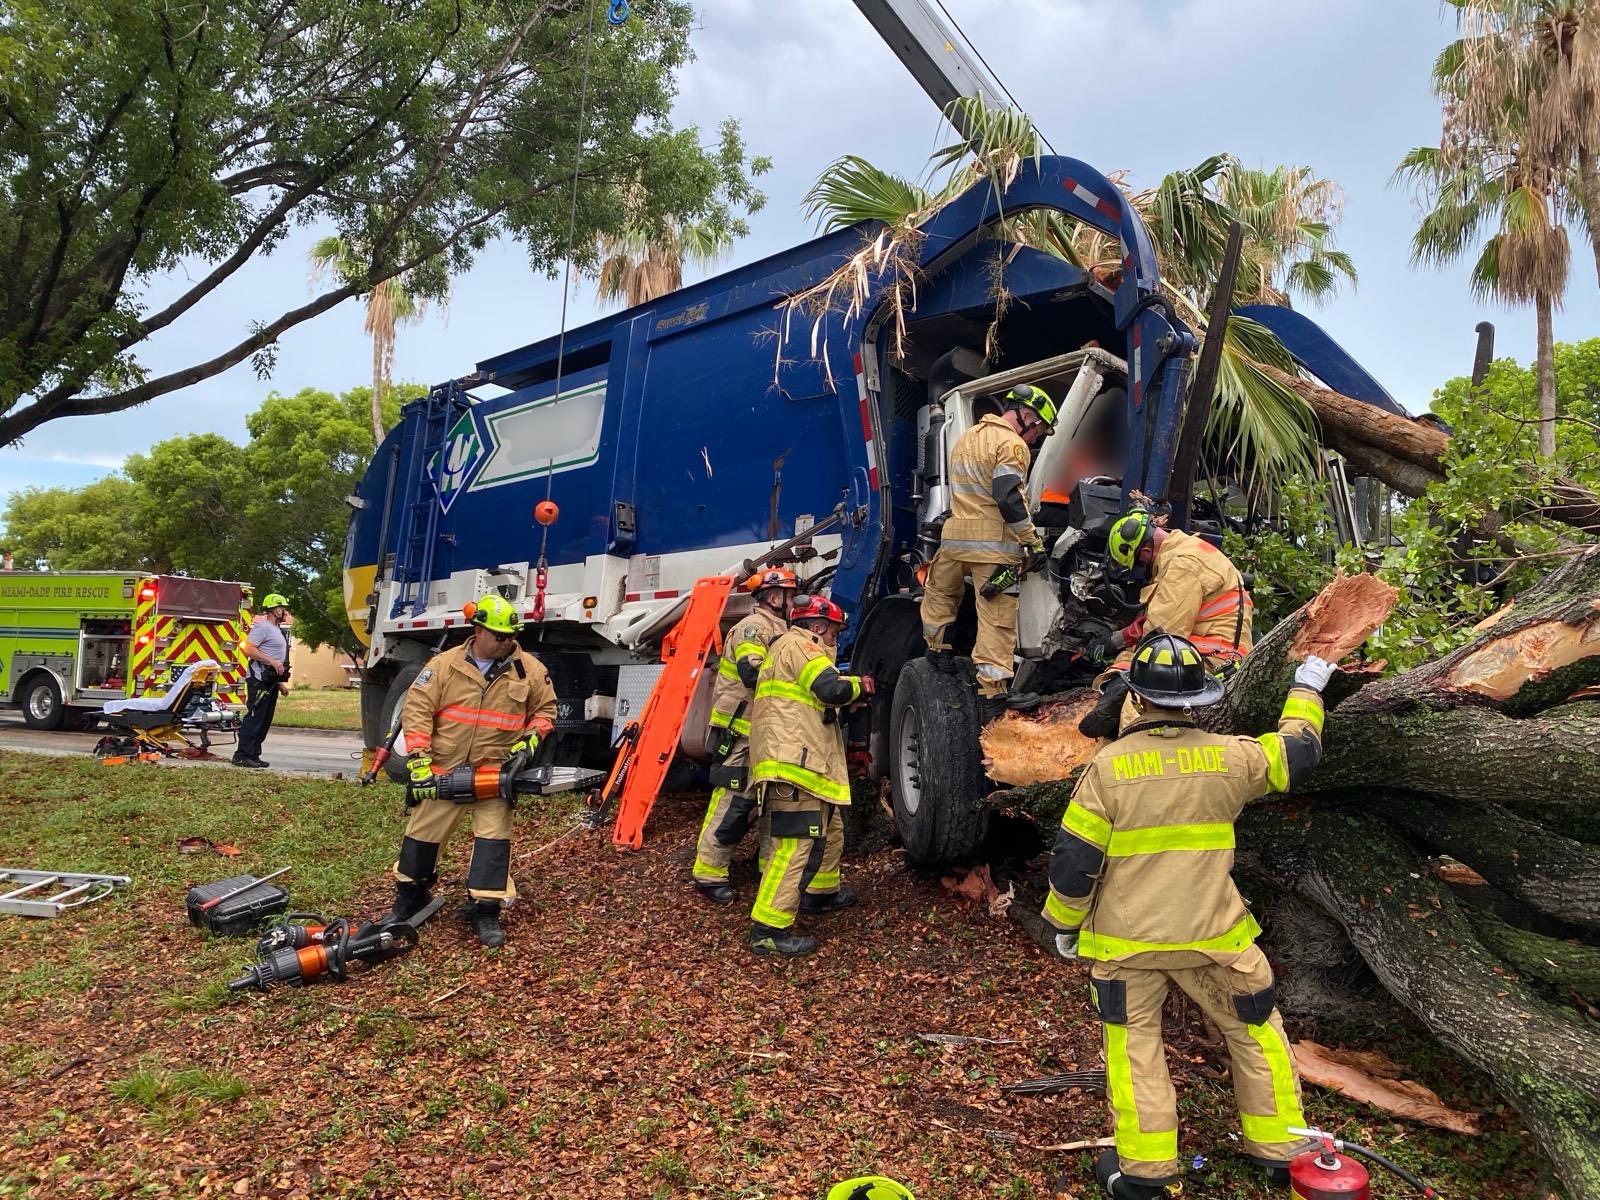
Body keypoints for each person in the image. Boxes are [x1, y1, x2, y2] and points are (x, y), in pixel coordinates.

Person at [1042, 631, 1335, 1197]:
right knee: (1256, 1034)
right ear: (1201, 699)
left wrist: (1064, 924)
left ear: (1136, 697)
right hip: (1216, 938)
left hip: (1128, 945)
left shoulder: (1107, 770)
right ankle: (1281, 1152)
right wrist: (1307, 687)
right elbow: (1297, 753)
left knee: (1134, 1050)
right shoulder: (1230, 758)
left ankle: (1146, 1176)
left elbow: (1074, 864)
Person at [381, 594, 557, 948]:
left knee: (493, 842)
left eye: (511, 636)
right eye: (499, 636)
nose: (506, 642)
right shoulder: (444, 665)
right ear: (478, 631)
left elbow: (545, 711)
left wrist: (530, 741)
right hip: (443, 771)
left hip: (494, 774)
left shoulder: (530, 670)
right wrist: (418, 758)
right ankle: (411, 897)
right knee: (421, 838)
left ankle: (485, 910)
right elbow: (417, 709)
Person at [919, 383, 1057, 725]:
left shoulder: (967, 438)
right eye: (1038, 430)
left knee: (940, 593)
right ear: (1027, 416)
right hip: (993, 547)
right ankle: (993, 693)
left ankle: (938, 650)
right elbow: (1008, 497)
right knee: (996, 618)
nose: (1035, 438)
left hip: (955, 542)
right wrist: (1031, 541)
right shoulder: (1011, 445)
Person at [745, 594, 871, 957]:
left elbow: (812, 702)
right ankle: (768, 929)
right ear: (817, 626)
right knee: (794, 847)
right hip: (794, 766)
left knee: (829, 833)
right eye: (834, 632)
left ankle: (821, 893)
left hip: (801, 764)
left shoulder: (783, 650)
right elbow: (831, 688)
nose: (835, 640)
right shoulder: (802, 646)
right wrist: (861, 685)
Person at [1079, 508, 1253, 739]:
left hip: (1213, 659)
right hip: (1206, 650)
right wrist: (1114, 642)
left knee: (1146, 677)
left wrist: (1129, 663)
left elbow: (1164, 634)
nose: (1141, 574)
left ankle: (1131, 736)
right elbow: (1157, 620)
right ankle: (1112, 695)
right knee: (1128, 659)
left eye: (1139, 565)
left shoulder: (1183, 564)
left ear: (1146, 550)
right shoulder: (1186, 550)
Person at [691, 567, 799, 904]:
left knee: (773, 801)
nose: (794, 601)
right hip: (740, 732)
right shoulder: (753, 627)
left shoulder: (781, 630)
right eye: (791, 595)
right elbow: (752, 671)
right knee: (734, 803)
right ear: (774, 597)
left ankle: (768, 868)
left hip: (763, 732)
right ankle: (709, 873)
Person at [235, 592, 292, 768]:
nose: (284, 611)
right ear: (272, 609)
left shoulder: (278, 630)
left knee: (265, 719)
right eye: (281, 607)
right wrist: (271, 661)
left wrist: (280, 682)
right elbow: (248, 648)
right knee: (255, 717)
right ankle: (242, 755)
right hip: (259, 680)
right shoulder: (263, 627)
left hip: (271, 681)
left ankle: (254, 754)